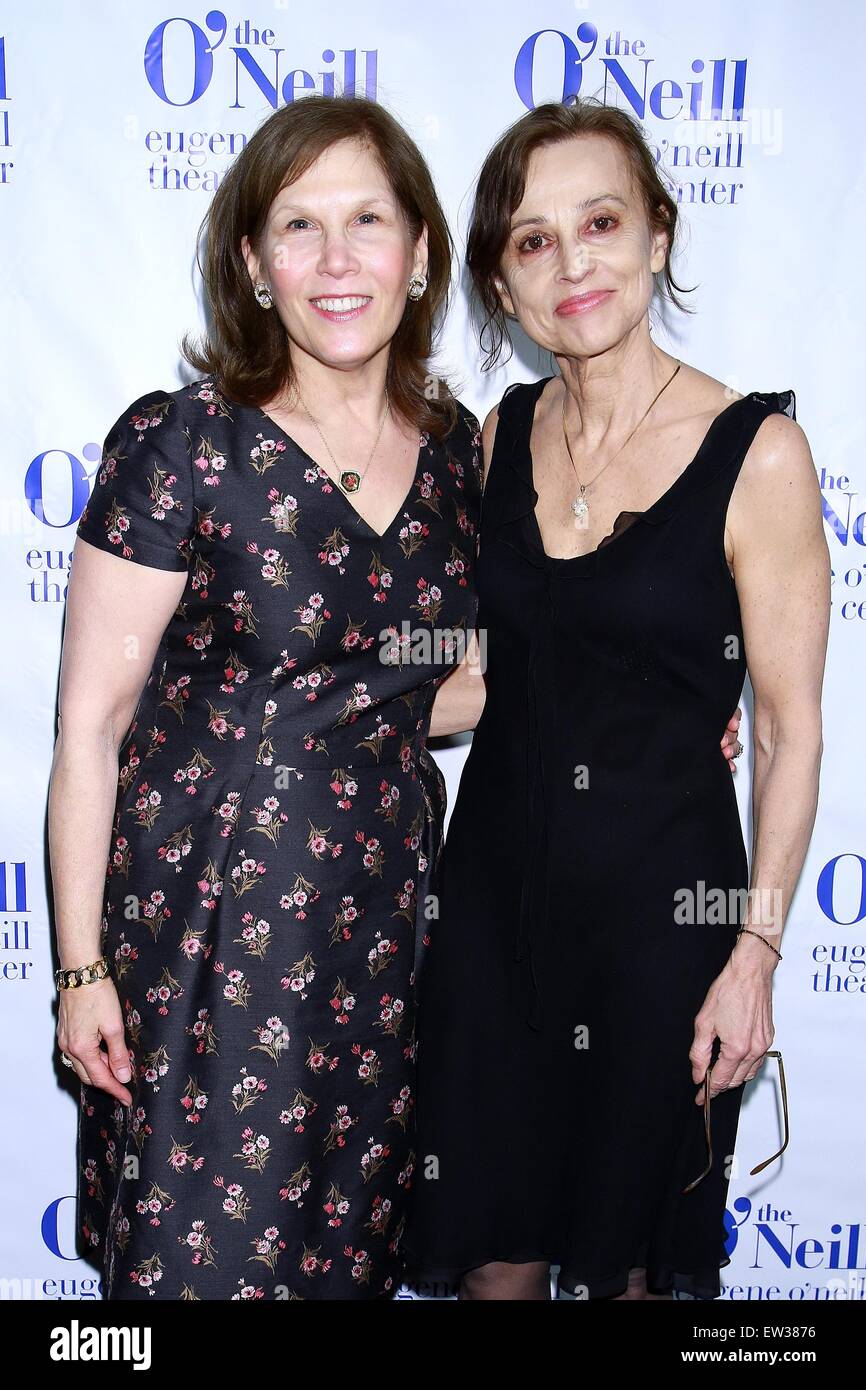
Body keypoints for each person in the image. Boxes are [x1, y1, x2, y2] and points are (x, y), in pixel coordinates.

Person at [51, 94, 484, 1300]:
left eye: (367, 221)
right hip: (210, 924)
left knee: (344, 1259)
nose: (335, 260)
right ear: (252, 263)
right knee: (202, 1263)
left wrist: (642, 709)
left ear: (420, 256)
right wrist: (81, 969)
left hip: (383, 928)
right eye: (298, 226)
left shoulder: (460, 456)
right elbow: (87, 725)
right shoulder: (181, 443)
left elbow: (433, 688)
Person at [404, 97, 829, 1301]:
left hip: (664, 932)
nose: (570, 260)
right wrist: (295, 700)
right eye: (532, 241)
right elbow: (484, 675)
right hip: (491, 921)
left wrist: (751, 951)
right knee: (493, 1262)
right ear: (501, 278)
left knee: (637, 1273)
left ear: (656, 233)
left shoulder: (757, 453)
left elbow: (790, 732)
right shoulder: (500, 434)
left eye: (598, 220)